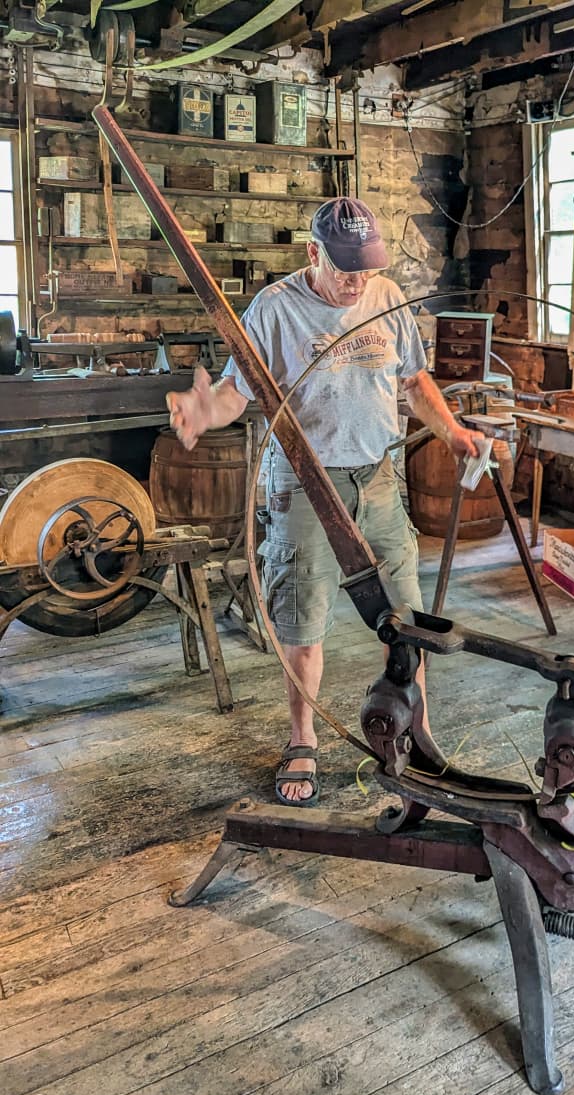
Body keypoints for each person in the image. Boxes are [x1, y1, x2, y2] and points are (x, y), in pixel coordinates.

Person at [166, 197, 484, 804]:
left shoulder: (386, 297)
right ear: (314, 254)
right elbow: (240, 390)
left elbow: (415, 382)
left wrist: (455, 433)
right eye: (344, 269)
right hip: (305, 480)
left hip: (379, 478)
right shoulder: (276, 308)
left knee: (409, 619)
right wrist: (210, 410)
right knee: (302, 615)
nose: (356, 281)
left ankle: (417, 729)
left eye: (365, 268)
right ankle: (302, 737)